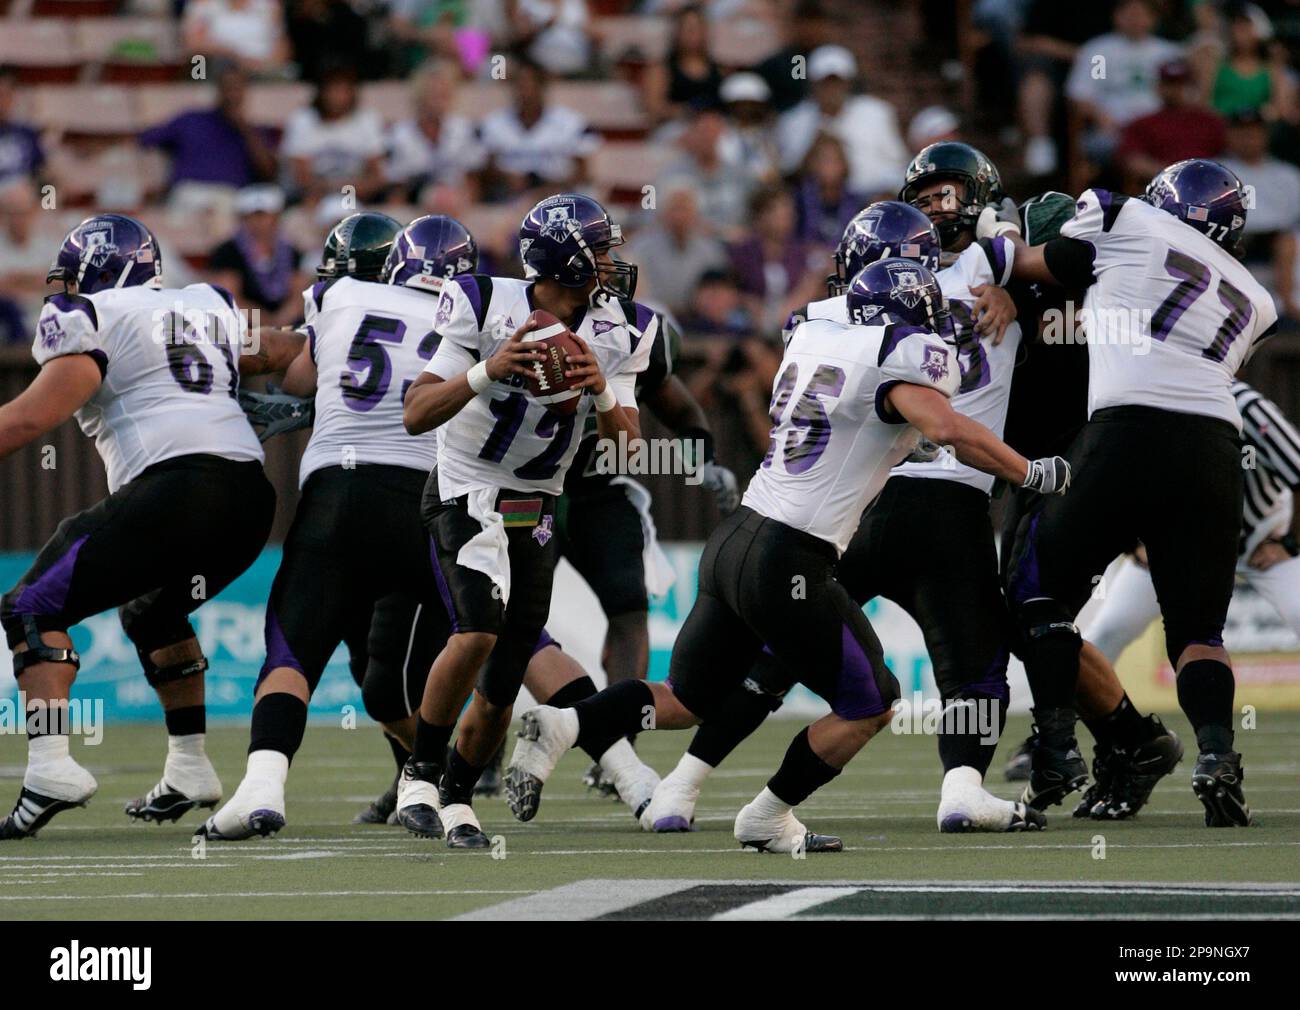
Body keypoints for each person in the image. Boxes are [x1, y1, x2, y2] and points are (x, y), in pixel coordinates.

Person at [505, 257, 1070, 850]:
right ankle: (769, 814)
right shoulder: (897, 362)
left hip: (734, 541)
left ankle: (565, 723)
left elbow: (855, 428)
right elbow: (950, 429)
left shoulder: (818, 337)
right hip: (789, 558)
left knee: (685, 698)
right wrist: (1031, 472)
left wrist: (905, 445)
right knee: (871, 703)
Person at [646, 193, 1035, 836]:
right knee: (968, 658)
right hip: (931, 494)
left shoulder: (820, 318)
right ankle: (961, 788)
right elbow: (1021, 265)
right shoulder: (969, 278)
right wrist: (1006, 260)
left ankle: (680, 784)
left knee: (776, 655)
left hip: (832, 510)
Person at [1004, 159, 1279, 827]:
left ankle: (1056, 748)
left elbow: (1038, 264)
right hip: (1214, 446)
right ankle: (1218, 755)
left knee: (1033, 595)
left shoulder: (1126, 216)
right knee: (1198, 633)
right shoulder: (1256, 295)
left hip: (1127, 430)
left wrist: (997, 244)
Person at [0, 215, 282, 837]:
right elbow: (283, 346)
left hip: (177, 488)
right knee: (151, 613)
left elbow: (28, 419)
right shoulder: (207, 301)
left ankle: (50, 767)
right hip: (247, 499)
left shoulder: (97, 316)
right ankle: (190, 767)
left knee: (30, 607)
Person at [399, 194, 657, 842]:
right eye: (599, 250)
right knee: (478, 631)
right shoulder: (484, 303)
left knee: (508, 672)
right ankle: (419, 774)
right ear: (565, 258)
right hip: (464, 487)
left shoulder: (617, 329)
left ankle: (458, 797)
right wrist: (490, 370)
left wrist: (600, 388)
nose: (610, 263)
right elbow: (416, 412)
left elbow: (630, 448)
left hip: (535, 505)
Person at [1084, 379, 1300, 678]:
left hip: (1257, 539)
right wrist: (1134, 542)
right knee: (1111, 628)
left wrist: (1289, 543)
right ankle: (1067, 719)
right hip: (1176, 542)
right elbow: (1114, 479)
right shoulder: (1147, 404)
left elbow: (1298, 469)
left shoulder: (1248, 408)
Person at [1064, 0, 1181, 179]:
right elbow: (1082, 95)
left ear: (1153, 18)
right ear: (1116, 16)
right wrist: (1101, 117)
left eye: (1141, 14)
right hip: (1113, 130)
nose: (1135, 19)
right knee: (1112, 145)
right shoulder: (1100, 53)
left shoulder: (1168, 53)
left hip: (1158, 131)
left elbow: (1181, 95)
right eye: (1129, 13)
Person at [137, 65, 278, 213]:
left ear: (245, 92)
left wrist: (244, 129)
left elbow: (268, 172)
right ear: (218, 90)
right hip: (189, 191)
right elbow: (145, 139)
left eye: (237, 88)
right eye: (227, 88)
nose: (232, 94)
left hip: (229, 194)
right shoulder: (192, 119)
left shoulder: (255, 131)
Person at [776, 45, 908, 198]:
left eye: (837, 82)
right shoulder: (793, 120)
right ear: (813, 84)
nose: (832, 89)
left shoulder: (876, 112)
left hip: (874, 199)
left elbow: (899, 164)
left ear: (849, 83)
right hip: (813, 204)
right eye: (825, 82)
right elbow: (786, 175)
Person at [476, 55, 597, 201]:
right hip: (508, 197)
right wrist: (505, 177)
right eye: (520, 85)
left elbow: (583, 172)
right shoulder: (494, 123)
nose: (525, 92)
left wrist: (554, 186)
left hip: (558, 196)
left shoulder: (570, 123)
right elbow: (484, 168)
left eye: (530, 85)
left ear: (542, 87)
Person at [1218, 110, 1300, 320]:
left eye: (1254, 132)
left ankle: (1288, 306)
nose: (1248, 139)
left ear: (1265, 135)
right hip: (1232, 240)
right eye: (1241, 133)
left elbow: (1293, 219)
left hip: (1280, 242)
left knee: (1288, 241)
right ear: (1230, 135)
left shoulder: (1287, 174)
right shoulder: (1217, 170)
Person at [282, 67, 387, 208]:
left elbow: (378, 175)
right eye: (333, 90)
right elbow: (301, 176)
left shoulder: (367, 118)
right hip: (314, 197)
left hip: (357, 195)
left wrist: (348, 191)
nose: (338, 97)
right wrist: (333, 189)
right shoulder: (302, 119)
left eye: (343, 90)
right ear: (321, 92)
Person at [207, 185, 309, 328]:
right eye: (253, 216)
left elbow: (300, 296)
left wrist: (280, 323)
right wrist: (266, 324)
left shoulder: (292, 251)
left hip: (286, 326)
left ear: (277, 216)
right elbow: (229, 298)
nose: (259, 222)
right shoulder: (228, 251)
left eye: (264, 215)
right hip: (244, 326)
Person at [384, 60, 485, 203]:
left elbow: (473, 180)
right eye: (433, 93)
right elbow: (397, 188)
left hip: (456, 202)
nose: (439, 99)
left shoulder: (464, 130)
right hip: (415, 202)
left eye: (443, 93)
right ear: (420, 95)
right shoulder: (400, 134)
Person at [1116, 59, 1226, 190]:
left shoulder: (1210, 121)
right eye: (1169, 84)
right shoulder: (1143, 123)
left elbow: (1232, 157)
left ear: (1192, 86)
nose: (1174, 90)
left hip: (1209, 187)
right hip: (1162, 189)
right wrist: (1173, 175)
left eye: (1180, 84)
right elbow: (1133, 161)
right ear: (1158, 87)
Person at [640, 3, 723, 125]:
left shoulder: (720, 69)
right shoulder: (661, 69)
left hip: (713, 126)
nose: (692, 34)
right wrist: (686, 111)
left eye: (697, 28)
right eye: (688, 29)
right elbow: (653, 109)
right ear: (677, 32)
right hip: (674, 127)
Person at [181, 0, 292, 75]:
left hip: (262, 71)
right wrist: (235, 57)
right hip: (220, 69)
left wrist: (265, 66)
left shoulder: (268, 5)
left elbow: (282, 47)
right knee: (200, 65)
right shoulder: (205, 4)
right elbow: (193, 45)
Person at [0, 67, 45, 191]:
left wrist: (48, 204)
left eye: (6, 94)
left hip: (24, 193)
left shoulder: (27, 133)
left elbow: (42, 172)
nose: (2, 101)